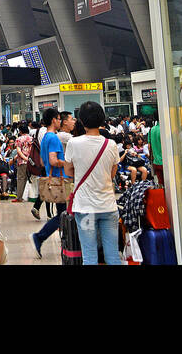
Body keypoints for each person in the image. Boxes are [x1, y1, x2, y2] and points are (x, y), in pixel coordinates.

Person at [64, 100, 122, 265]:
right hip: (108, 205)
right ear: (102, 119)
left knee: (89, 257)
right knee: (112, 256)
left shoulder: (73, 143)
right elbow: (112, 173)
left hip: (85, 207)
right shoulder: (110, 144)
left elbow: (69, 172)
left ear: (81, 121)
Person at [30, 108, 67, 259]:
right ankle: (40, 236)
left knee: (63, 214)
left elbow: (41, 161)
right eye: (59, 119)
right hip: (59, 180)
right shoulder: (53, 138)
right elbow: (53, 160)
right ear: (53, 120)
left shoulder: (44, 137)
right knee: (63, 215)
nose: (60, 121)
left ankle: (63, 241)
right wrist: (66, 163)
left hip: (52, 179)